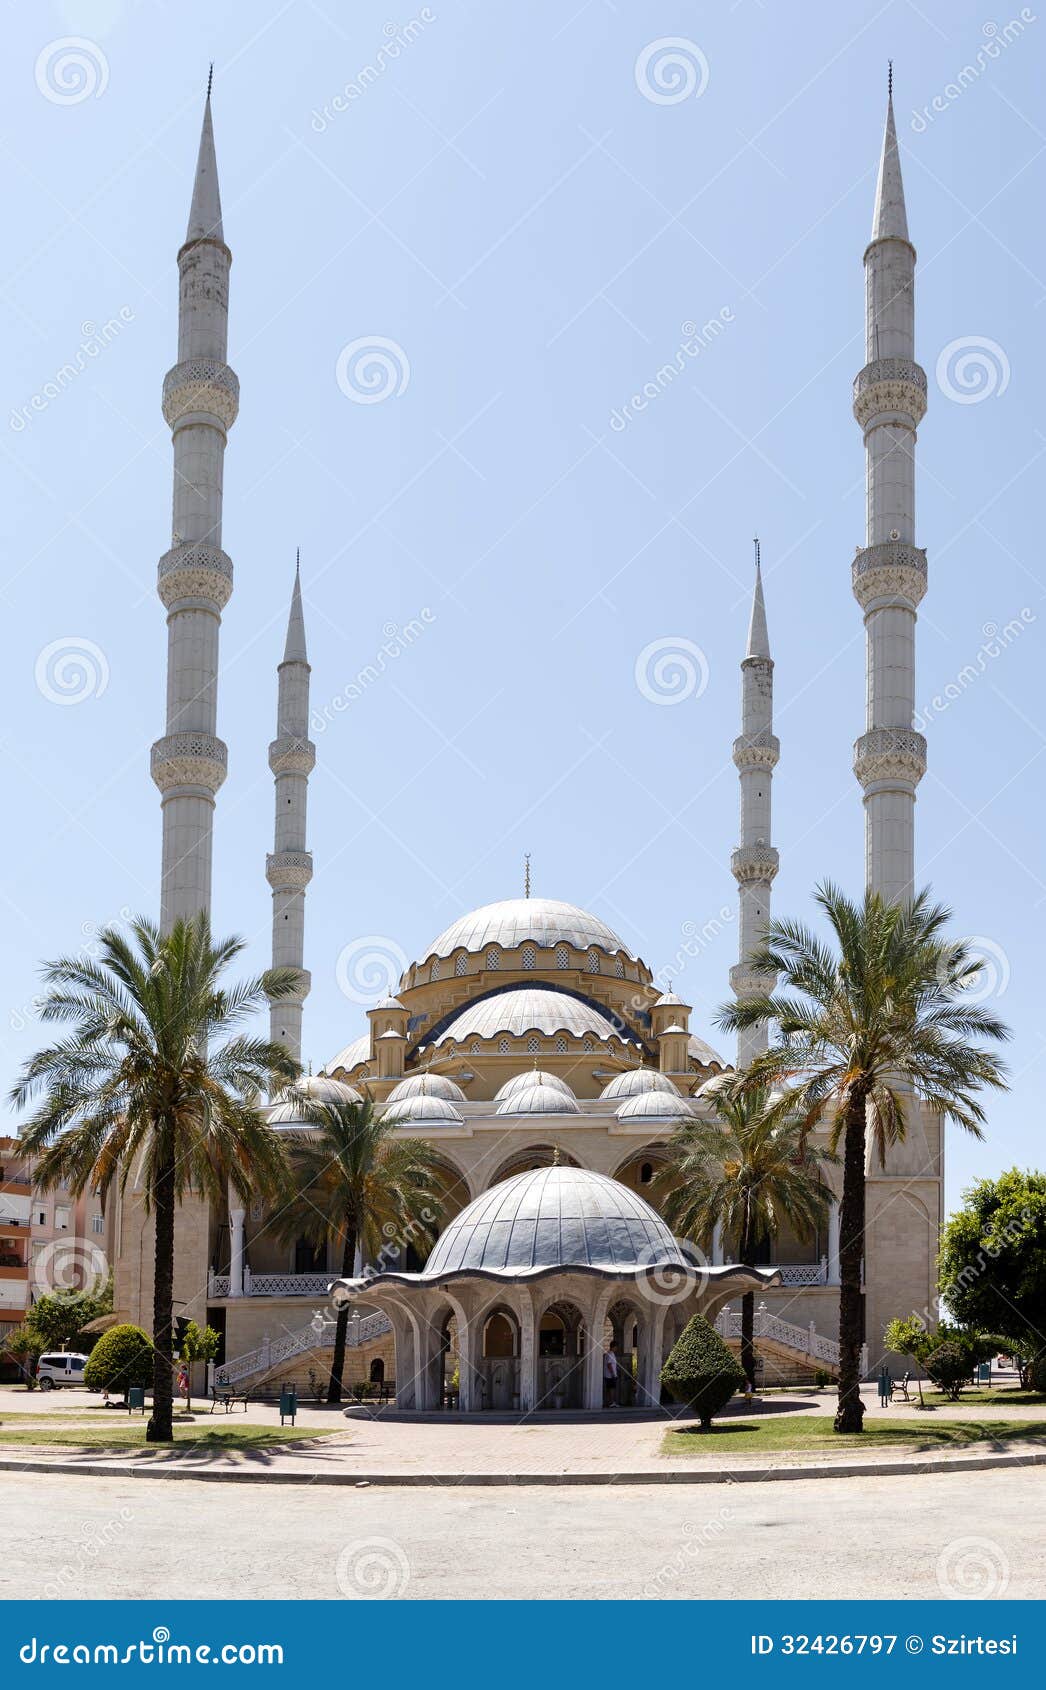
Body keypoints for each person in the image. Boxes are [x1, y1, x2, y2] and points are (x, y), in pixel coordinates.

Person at [603, 1341, 619, 1408]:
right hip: (610, 1375)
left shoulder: (608, 1353)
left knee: (609, 1389)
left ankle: (609, 1402)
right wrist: (613, 1373)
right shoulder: (611, 1354)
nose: (617, 1349)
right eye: (616, 1347)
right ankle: (612, 1402)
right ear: (614, 1347)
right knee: (612, 1389)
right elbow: (609, 1364)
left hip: (607, 1375)